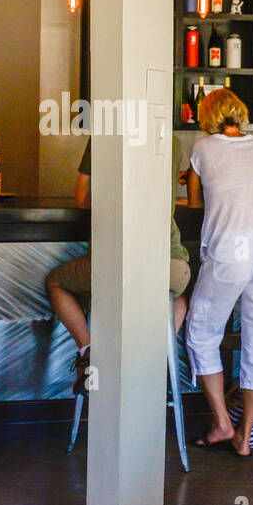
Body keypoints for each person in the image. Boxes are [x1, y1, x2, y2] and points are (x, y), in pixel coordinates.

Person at [45, 136, 191, 394]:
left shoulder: (105, 134)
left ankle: (90, 355)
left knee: (56, 282)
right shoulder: (170, 137)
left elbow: (82, 197)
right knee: (176, 298)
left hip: (119, 263)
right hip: (171, 264)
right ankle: (153, 362)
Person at [185, 88, 253, 456]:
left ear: (206, 115)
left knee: (201, 331)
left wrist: (190, 180)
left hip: (233, 251)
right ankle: (245, 436)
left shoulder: (201, 147)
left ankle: (223, 422)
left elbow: (195, 203)